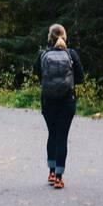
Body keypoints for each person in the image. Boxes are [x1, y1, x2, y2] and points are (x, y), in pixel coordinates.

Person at [32, 23, 84, 189]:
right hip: (67, 101)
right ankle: (59, 178)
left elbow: (38, 75)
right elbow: (81, 78)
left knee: (52, 134)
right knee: (62, 137)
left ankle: (51, 172)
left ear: (49, 37)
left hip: (48, 101)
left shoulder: (42, 55)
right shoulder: (71, 54)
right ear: (64, 36)